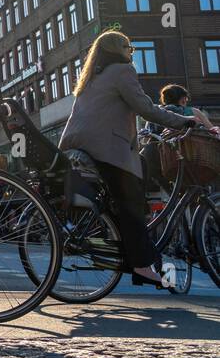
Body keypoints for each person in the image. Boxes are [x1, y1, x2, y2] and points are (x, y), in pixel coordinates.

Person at [59, 30, 202, 289]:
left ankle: (129, 246)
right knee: (132, 206)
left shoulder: (92, 76)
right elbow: (145, 107)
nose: (131, 53)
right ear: (119, 49)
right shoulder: (122, 71)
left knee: (138, 176)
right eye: (129, 48)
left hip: (78, 145)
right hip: (106, 147)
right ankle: (141, 265)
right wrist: (184, 122)